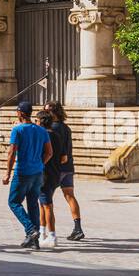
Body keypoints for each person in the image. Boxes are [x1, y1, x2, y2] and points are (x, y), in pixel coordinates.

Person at [2, 102, 52, 249]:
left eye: (17, 111)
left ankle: (31, 230)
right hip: (37, 172)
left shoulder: (17, 130)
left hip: (23, 172)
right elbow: (49, 152)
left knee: (14, 202)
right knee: (33, 204)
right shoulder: (41, 130)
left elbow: (12, 153)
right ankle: (34, 241)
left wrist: (7, 173)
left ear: (21, 113)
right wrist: (39, 163)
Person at [44, 102, 83, 242]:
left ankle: (48, 233)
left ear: (53, 112)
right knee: (70, 196)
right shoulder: (66, 128)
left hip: (55, 169)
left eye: (47, 110)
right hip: (68, 167)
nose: (45, 113)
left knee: (46, 201)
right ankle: (78, 227)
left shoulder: (51, 129)